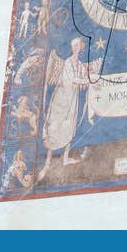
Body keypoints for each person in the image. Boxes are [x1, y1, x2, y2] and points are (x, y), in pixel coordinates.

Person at [38, 36, 97, 178]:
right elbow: (73, 80)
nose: (78, 48)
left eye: (80, 45)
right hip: (61, 99)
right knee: (55, 128)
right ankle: (46, 164)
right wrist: (89, 81)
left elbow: (85, 76)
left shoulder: (79, 64)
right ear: (72, 48)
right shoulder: (67, 63)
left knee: (70, 126)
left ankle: (65, 158)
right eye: (75, 45)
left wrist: (92, 76)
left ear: (82, 47)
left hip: (73, 99)